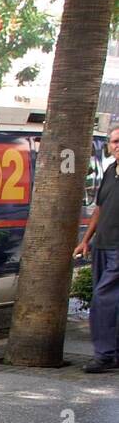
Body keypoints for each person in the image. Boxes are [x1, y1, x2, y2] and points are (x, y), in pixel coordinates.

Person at [73, 124, 119, 373]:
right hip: (102, 244)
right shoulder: (111, 171)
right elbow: (99, 209)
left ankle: (103, 355)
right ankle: (113, 353)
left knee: (103, 299)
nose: (117, 146)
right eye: (114, 142)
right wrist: (85, 240)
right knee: (110, 300)